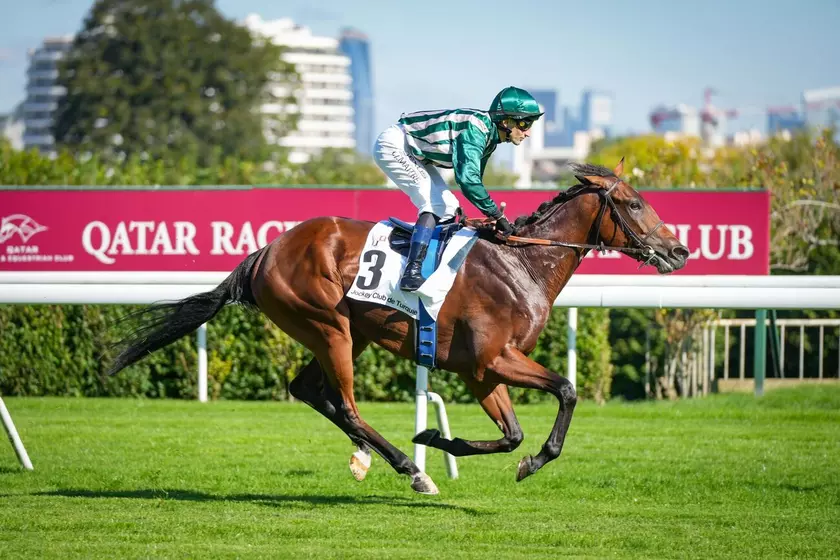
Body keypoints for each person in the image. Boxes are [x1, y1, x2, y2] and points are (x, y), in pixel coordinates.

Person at [372, 86, 544, 292]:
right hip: (395, 145)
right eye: (524, 123)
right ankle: (411, 271)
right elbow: (468, 181)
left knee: (450, 207)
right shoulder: (476, 131)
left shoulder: (490, 138)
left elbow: (474, 182)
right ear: (506, 121)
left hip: (414, 152)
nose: (528, 132)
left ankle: (428, 265)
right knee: (434, 204)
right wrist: (498, 217)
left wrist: (484, 214)